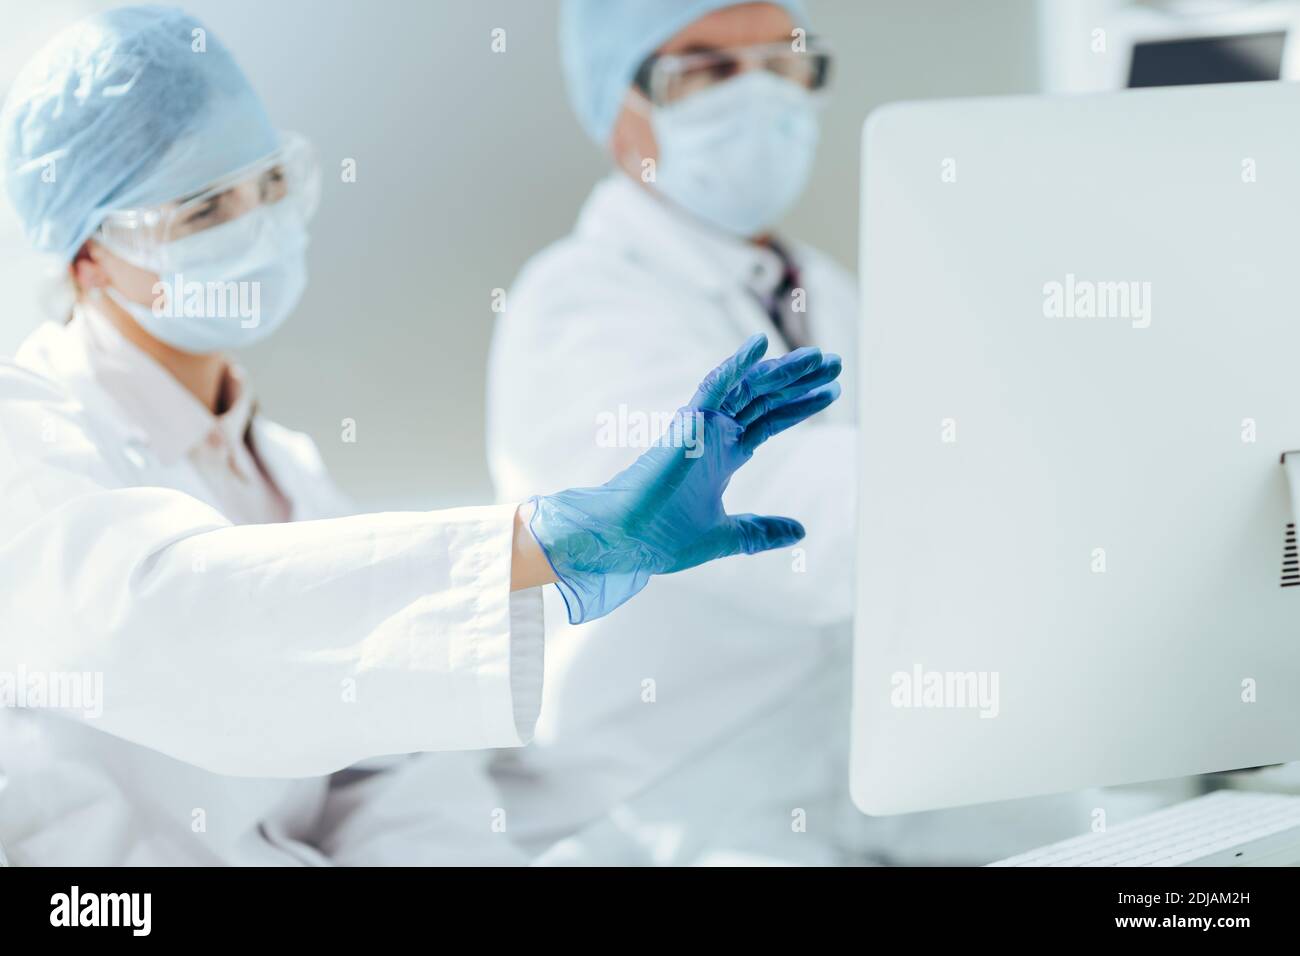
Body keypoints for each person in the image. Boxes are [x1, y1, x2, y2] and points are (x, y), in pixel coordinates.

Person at [0, 5, 841, 865]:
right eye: (205, 207)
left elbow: (388, 770)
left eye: (271, 185)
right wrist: (535, 546)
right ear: (85, 253)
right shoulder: (26, 432)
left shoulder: (287, 472)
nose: (254, 223)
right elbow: (169, 621)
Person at [487, 0, 1172, 863]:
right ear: (617, 109)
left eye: (784, 61)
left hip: (859, 755)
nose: (759, 96)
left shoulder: (828, 291)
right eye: (705, 69)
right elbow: (767, 505)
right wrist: (1024, 484)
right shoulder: (578, 302)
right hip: (679, 786)